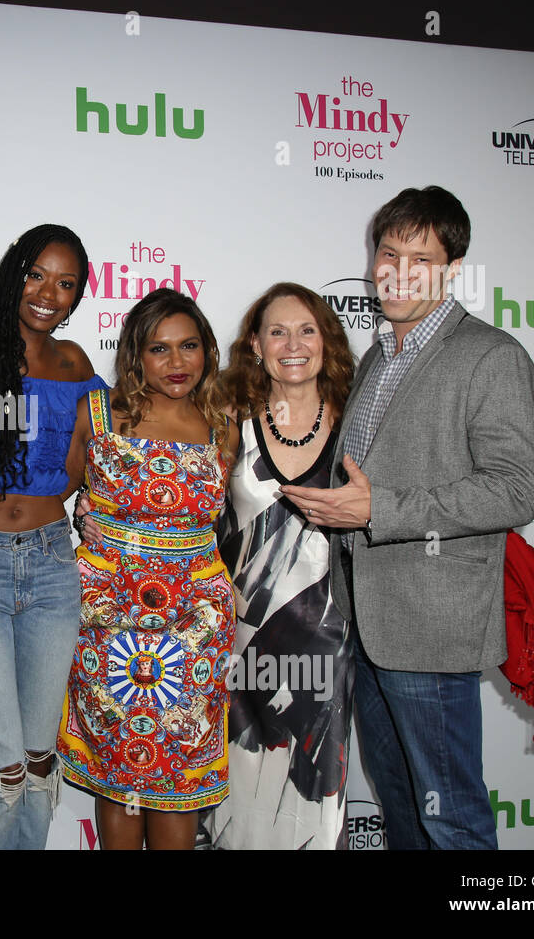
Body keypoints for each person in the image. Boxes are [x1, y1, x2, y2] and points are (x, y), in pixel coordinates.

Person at [280, 186, 534, 849]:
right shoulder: (379, 356)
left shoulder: (491, 356)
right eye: (387, 253)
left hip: (430, 629)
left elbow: (515, 490)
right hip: (364, 625)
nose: (396, 271)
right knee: (401, 810)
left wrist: (382, 509)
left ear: (453, 268)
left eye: (418, 259)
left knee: (450, 819)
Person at [58, 288, 239, 850]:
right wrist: (84, 519)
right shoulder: (97, 413)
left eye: (189, 346)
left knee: (179, 776)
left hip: (195, 624)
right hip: (109, 617)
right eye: (159, 349)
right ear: (135, 354)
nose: (177, 362)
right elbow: (56, 493)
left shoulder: (223, 424)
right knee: (121, 778)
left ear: (207, 350)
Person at [0, 224, 105, 850]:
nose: (48, 293)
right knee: (5, 769)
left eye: (66, 284)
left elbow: (79, 466)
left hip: (51, 565)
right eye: (37, 274)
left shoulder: (74, 365)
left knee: (40, 763)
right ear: (15, 272)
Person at [205, 282, 356, 849]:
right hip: (240, 640)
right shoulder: (228, 416)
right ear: (255, 344)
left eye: (307, 329)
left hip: (328, 643)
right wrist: (103, 516)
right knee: (242, 790)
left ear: (326, 341)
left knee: (315, 791)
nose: (293, 343)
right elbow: (183, 498)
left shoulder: (356, 419)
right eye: (277, 331)